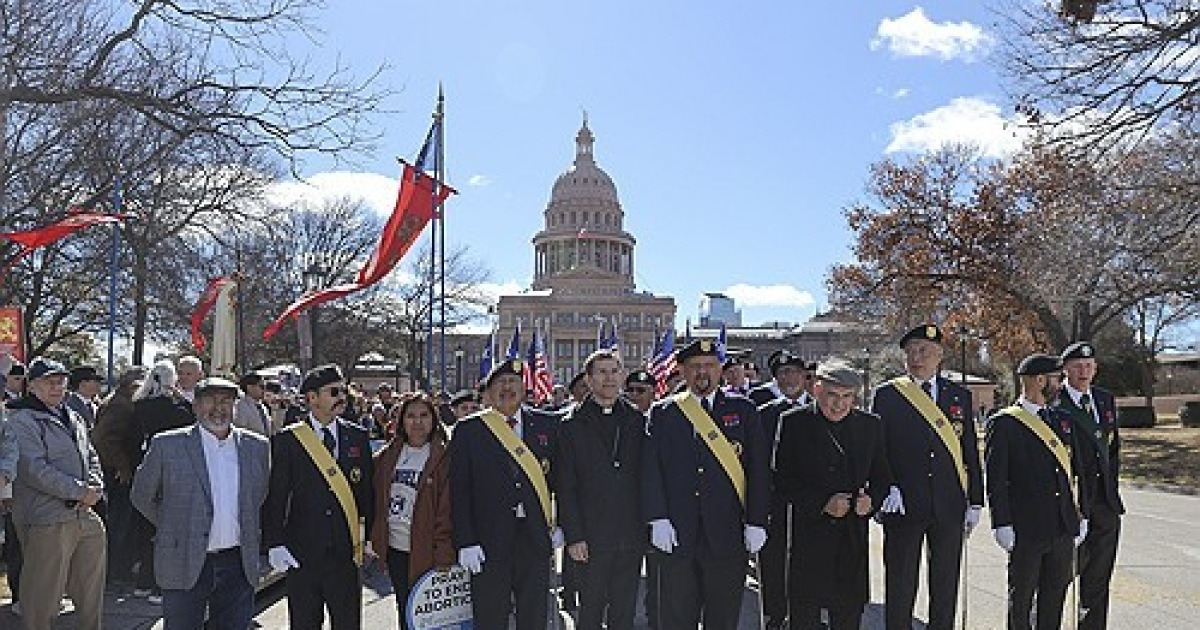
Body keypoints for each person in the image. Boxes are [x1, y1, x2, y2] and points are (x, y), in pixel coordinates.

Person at [641, 339, 770, 630]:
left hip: (727, 532)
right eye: (695, 366)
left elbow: (759, 470)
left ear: (720, 370)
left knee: (723, 617)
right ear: (683, 372)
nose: (703, 372)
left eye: (710, 365)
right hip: (676, 532)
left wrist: (757, 520)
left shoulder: (745, 410)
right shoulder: (664, 412)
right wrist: (657, 517)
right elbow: (650, 469)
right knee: (676, 616)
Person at [131, 377, 270, 630]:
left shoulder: (256, 447)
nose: (219, 408)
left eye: (226, 401)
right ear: (195, 405)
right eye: (210, 400)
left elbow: (258, 495)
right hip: (183, 559)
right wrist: (172, 525)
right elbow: (141, 495)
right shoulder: (167, 444)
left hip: (238, 563)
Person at [871, 324, 985, 630]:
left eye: (924, 350)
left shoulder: (958, 396)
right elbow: (877, 450)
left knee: (946, 583)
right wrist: (886, 487)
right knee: (900, 584)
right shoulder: (888, 395)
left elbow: (969, 450)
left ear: (940, 356)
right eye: (911, 351)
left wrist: (975, 500)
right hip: (904, 503)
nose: (917, 357)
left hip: (948, 503)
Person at [775, 360, 892, 630]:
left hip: (851, 537)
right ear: (817, 390)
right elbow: (782, 480)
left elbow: (883, 476)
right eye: (832, 396)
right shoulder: (794, 423)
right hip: (809, 536)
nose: (839, 405)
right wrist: (822, 504)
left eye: (847, 397)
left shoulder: (870, 425)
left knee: (848, 617)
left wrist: (872, 501)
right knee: (803, 617)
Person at [449, 358, 561, 630]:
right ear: (487, 393)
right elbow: (459, 490)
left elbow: (561, 479)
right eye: (500, 383)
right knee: (490, 615)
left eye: (514, 382)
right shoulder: (469, 430)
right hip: (487, 540)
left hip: (534, 537)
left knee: (534, 615)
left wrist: (562, 524)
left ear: (525, 388)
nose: (508, 388)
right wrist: (465, 541)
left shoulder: (548, 424)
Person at [262, 364, 375, 629]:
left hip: (345, 554)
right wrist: (274, 542)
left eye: (343, 391)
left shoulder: (356, 436)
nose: (341, 398)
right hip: (303, 552)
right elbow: (277, 496)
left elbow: (365, 493)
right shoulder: (289, 440)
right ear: (311, 398)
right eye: (333, 392)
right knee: (304, 623)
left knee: (347, 623)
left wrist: (368, 537)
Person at [986, 353, 1088, 630]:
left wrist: (1081, 514)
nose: (1061, 384)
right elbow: (996, 480)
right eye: (1057, 379)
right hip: (1027, 528)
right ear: (1039, 380)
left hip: (1062, 527)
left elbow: (1077, 472)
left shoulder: (1062, 420)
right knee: (1021, 602)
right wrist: (1002, 523)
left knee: (1054, 600)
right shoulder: (1004, 423)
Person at [7, 358, 106, 630]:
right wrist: (79, 490)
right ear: (33, 386)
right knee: (43, 596)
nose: (57, 387)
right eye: (49, 382)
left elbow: (91, 455)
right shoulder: (21, 420)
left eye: (61, 381)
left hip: (84, 512)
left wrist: (95, 487)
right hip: (46, 516)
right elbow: (33, 468)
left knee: (92, 590)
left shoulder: (71, 415)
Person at [558, 350, 647, 630]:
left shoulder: (637, 420)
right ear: (589, 378)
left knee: (624, 612)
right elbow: (566, 486)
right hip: (590, 537)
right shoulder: (571, 425)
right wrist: (574, 536)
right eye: (602, 372)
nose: (609, 378)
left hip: (630, 534)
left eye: (614, 371)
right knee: (590, 612)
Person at [369, 392, 453, 628]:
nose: (417, 422)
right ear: (401, 421)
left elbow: (447, 510)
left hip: (428, 549)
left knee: (430, 614)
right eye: (411, 416)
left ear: (434, 420)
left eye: (424, 415)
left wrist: (444, 551)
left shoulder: (444, 456)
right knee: (404, 608)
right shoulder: (388, 455)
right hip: (396, 548)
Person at [1057, 341, 1123, 630]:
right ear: (1065, 370)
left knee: (1098, 581)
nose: (1083, 371)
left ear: (1095, 369)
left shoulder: (1105, 400)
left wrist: (1112, 489)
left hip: (1105, 505)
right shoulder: (1056, 404)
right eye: (1077, 366)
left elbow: (1113, 450)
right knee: (1058, 577)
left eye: (1088, 366)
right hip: (1071, 505)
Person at [755, 350, 812, 629]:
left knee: (809, 561)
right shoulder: (763, 415)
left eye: (794, 372)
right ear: (776, 379)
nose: (789, 378)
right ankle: (775, 615)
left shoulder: (822, 409)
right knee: (774, 561)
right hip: (775, 502)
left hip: (812, 503)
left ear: (805, 377)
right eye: (783, 373)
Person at [131, 359, 194, 601]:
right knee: (166, 527)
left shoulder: (139, 405)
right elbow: (191, 421)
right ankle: (159, 584)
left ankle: (143, 581)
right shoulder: (173, 407)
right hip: (170, 470)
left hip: (145, 465)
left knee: (146, 526)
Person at [91, 366, 147, 592]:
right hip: (117, 473)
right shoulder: (120, 405)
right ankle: (114, 572)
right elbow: (104, 438)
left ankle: (116, 570)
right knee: (119, 524)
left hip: (117, 470)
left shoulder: (118, 401)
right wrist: (122, 466)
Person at [233, 371, 273, 437]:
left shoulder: (263, 407)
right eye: (261, 386)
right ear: (249, 387)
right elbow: (240, 433)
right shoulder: (241, 406)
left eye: (265, 387)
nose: (264, 390)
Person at [65, 366, 104, 430]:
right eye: (95, 381)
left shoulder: (96, 406)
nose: (99, 384)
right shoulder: (69, 405)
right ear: (83, 384)